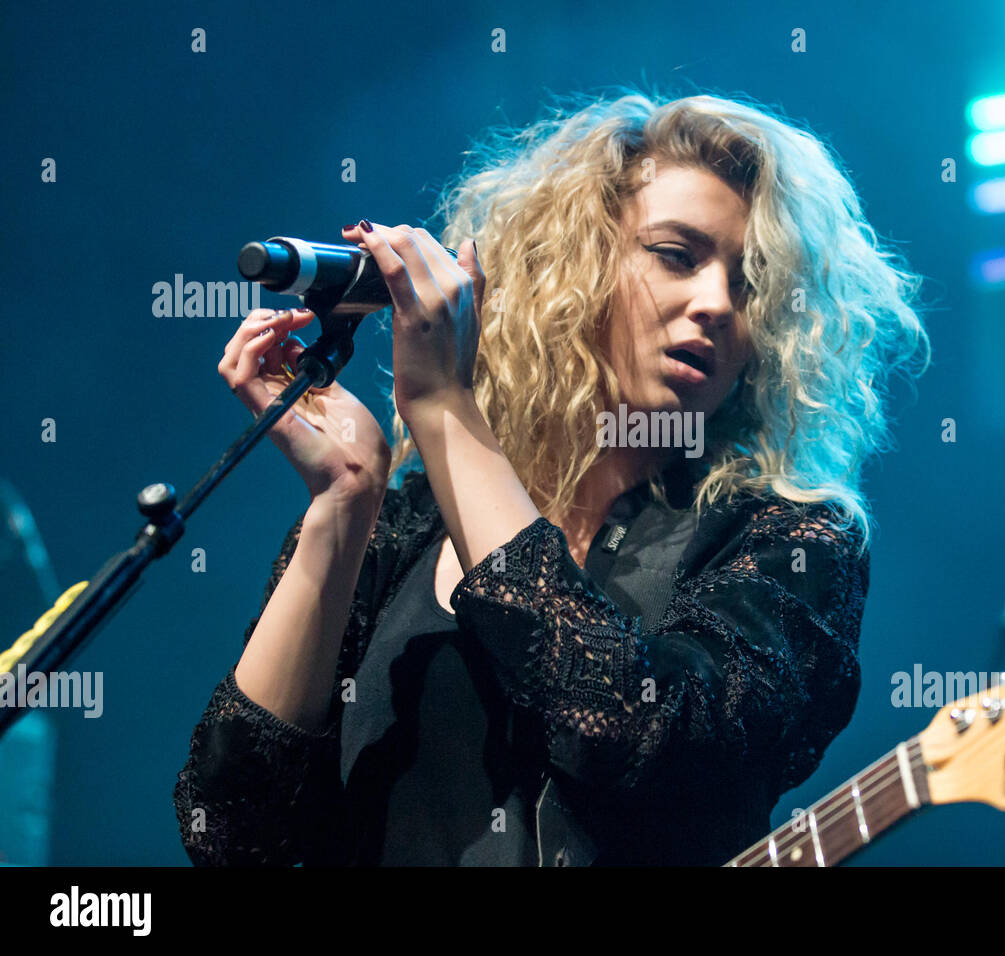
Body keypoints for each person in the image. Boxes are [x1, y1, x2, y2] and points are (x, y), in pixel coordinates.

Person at [172, 89, 929, 866]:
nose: (715, 303)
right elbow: (228, 829)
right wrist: (346, 502)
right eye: (676, 255)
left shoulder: (788, 543)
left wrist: (443, 410)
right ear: (569, 265)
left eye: (751, 282)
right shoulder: (401, 526)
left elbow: (638, 738)